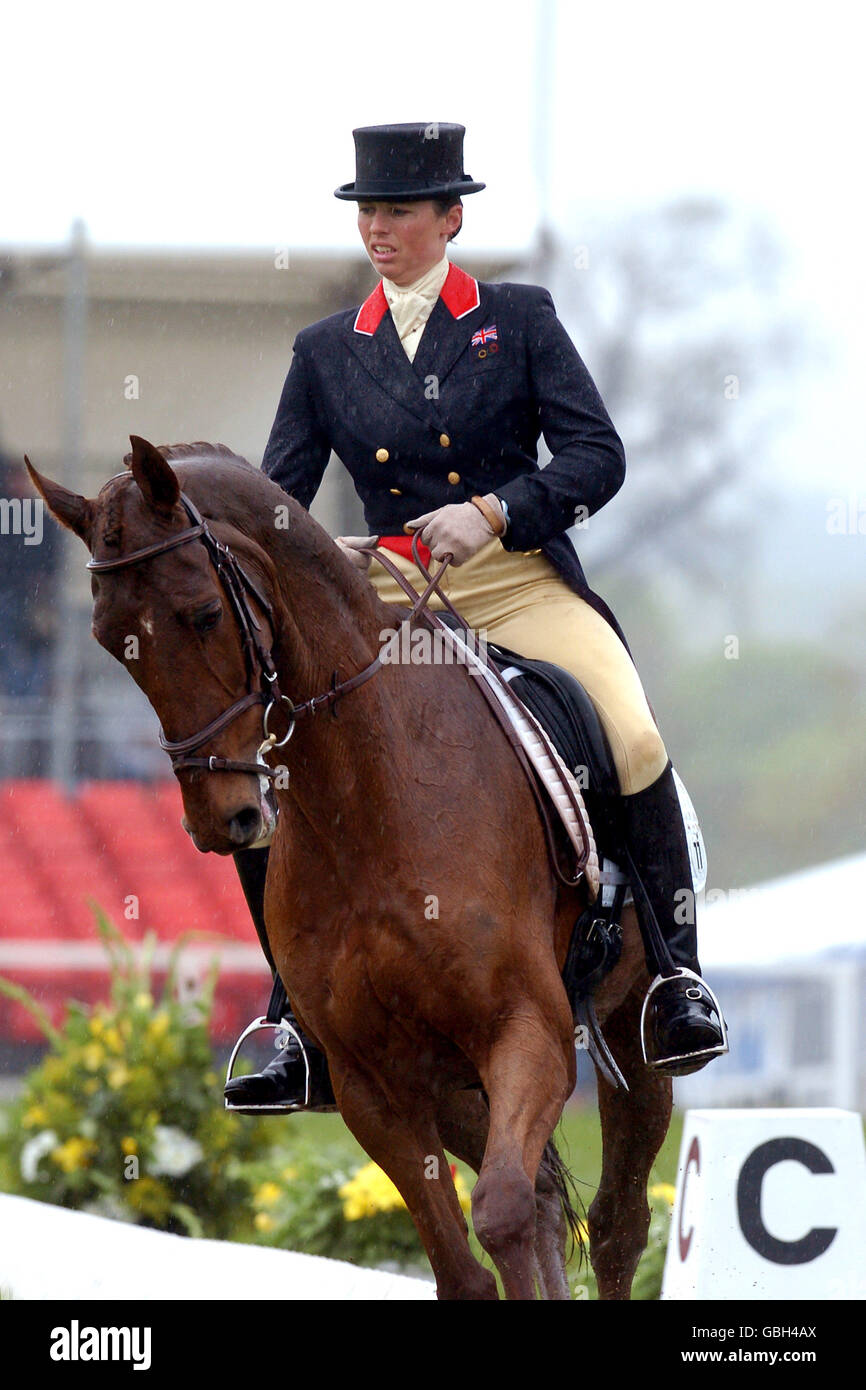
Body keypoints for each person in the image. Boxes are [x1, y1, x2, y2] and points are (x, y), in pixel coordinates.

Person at [224, 123, 727, 1113]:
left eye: (399, 211)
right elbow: (279, 503)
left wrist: (495, 510)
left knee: (631, 735)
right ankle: (293, 1020)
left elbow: (596, 456)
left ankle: (675, 977)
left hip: (516, 581)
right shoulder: (324, 351)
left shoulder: (518, 319)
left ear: (450, 218)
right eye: (368, 212)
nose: (379, 229)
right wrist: (324, 554)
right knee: (273, 767)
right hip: (387, 596)